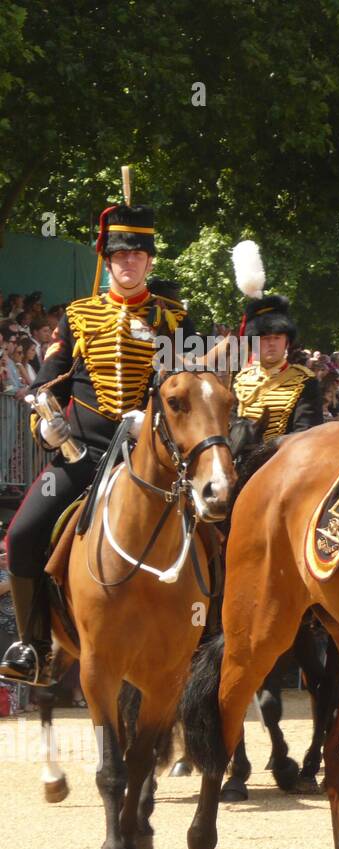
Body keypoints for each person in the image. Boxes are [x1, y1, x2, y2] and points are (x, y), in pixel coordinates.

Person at [1, 203, 191, 684]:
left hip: (151, 457)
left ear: (150, 262)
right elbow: (48, 384)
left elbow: (188, 389)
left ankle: (212, 629)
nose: (129, 263)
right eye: (120, 255)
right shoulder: (78, 318)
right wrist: (44, 425)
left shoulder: (173, 321)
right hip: (82, 456)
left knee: (220, 524)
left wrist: (149, 418)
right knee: (23, 533)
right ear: (107, 263)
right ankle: (33, 645)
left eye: (138, 255)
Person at [231, 242, 322, 440]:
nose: (271, 343)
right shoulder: (240, 380)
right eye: (265, 338)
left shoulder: (304, 381)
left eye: (277, 337)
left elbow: (306, 436)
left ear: (287, 341)